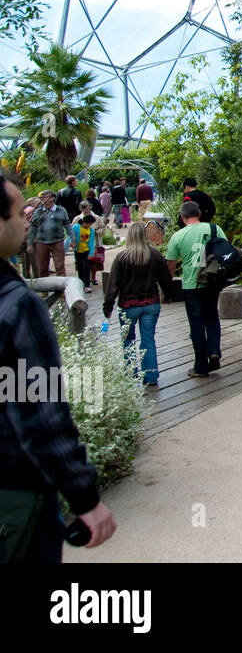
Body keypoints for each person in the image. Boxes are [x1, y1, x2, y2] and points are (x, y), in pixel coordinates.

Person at [0, 171, 116, 561]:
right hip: (15, 495)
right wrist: (83, 496)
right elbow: (39, 413)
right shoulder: (17, 307)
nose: (25, 221)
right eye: (18, 214)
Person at [104, 222, 171, 389]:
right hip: (151, 303)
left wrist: (108, 306)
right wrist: (169, 295)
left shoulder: (122, 258)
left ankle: (130, 373)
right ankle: (150, 375)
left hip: (128, 305)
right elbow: (165, 280)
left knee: (128, 340)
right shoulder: (155, 256)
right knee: (148, 339)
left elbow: (113, 285)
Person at [165, 200, 225, 377]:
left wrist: (168, 289)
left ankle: (201, 366)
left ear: (183, 218)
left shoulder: (178, 236)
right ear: (199, 213)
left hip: (192, 285)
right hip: (211, 281)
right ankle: (214, 351)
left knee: (196, 326)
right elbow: (225, 251)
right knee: (212, 317)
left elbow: (170, 263)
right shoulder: (215, 229)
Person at [27, 190, 71, 278]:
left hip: (57, 241)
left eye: (45, 197)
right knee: (42, 267)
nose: (42, 199)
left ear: (52, 198)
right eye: (41, 197)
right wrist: (30, 243)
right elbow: (33, 227)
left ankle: (60, 290)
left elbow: (67, 225)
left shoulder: (61, 210)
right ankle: (44, 290)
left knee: (59, 266)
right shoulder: (38, 212)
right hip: (42, 242)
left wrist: (72, 239)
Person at [70, 203, 97, 288]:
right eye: (88, 223)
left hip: (86, 251)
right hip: (78, 251)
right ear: (84, 222)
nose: (89, 226)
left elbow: (92, 242)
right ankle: (81, 283)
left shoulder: (91, 231)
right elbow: (71, 236)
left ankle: (87, 285)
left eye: (90, 224)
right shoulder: (76, 227)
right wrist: (71, 243)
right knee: (80, 267)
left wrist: (91, 253)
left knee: (86, 267)